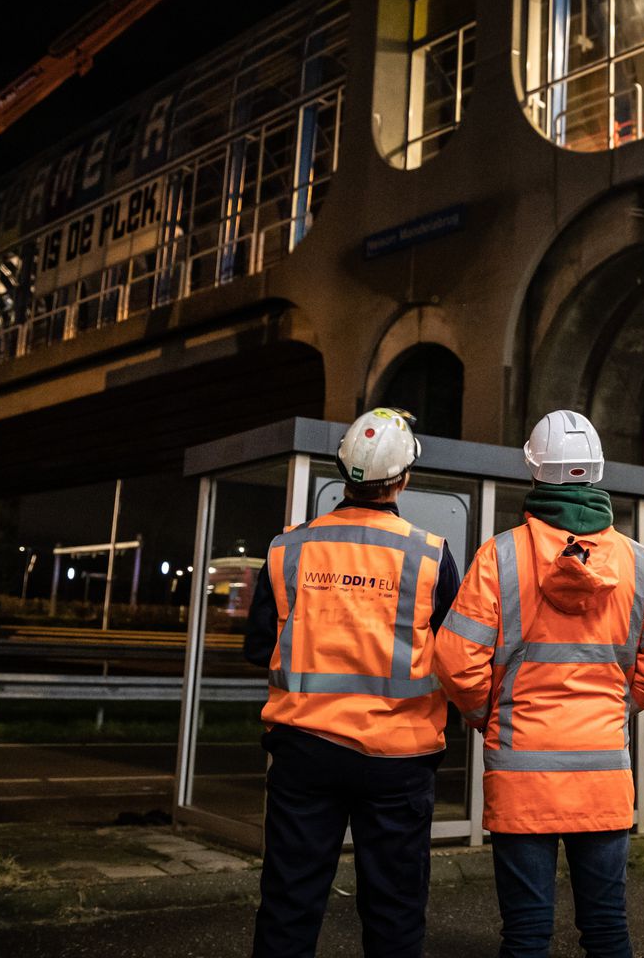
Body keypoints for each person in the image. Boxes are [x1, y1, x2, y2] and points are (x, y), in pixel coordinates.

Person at [435, 409, 644, 958]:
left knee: (525, 935)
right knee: (606, 930)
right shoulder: (640, 564)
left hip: (522, 774)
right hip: (602, 775)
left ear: (534, 472)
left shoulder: (500, 556)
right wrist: (619, 707)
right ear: (596, 473)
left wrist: (489, 714)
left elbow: (455, 660)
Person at [243, 408, 460, 958]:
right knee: (395, 911)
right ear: (404, 477)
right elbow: (457, 660)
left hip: (304, 753)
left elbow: (256, 649)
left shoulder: (288, 548)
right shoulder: (430, 555)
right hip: (399, 761)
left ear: (343, 471)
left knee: (289, 905)